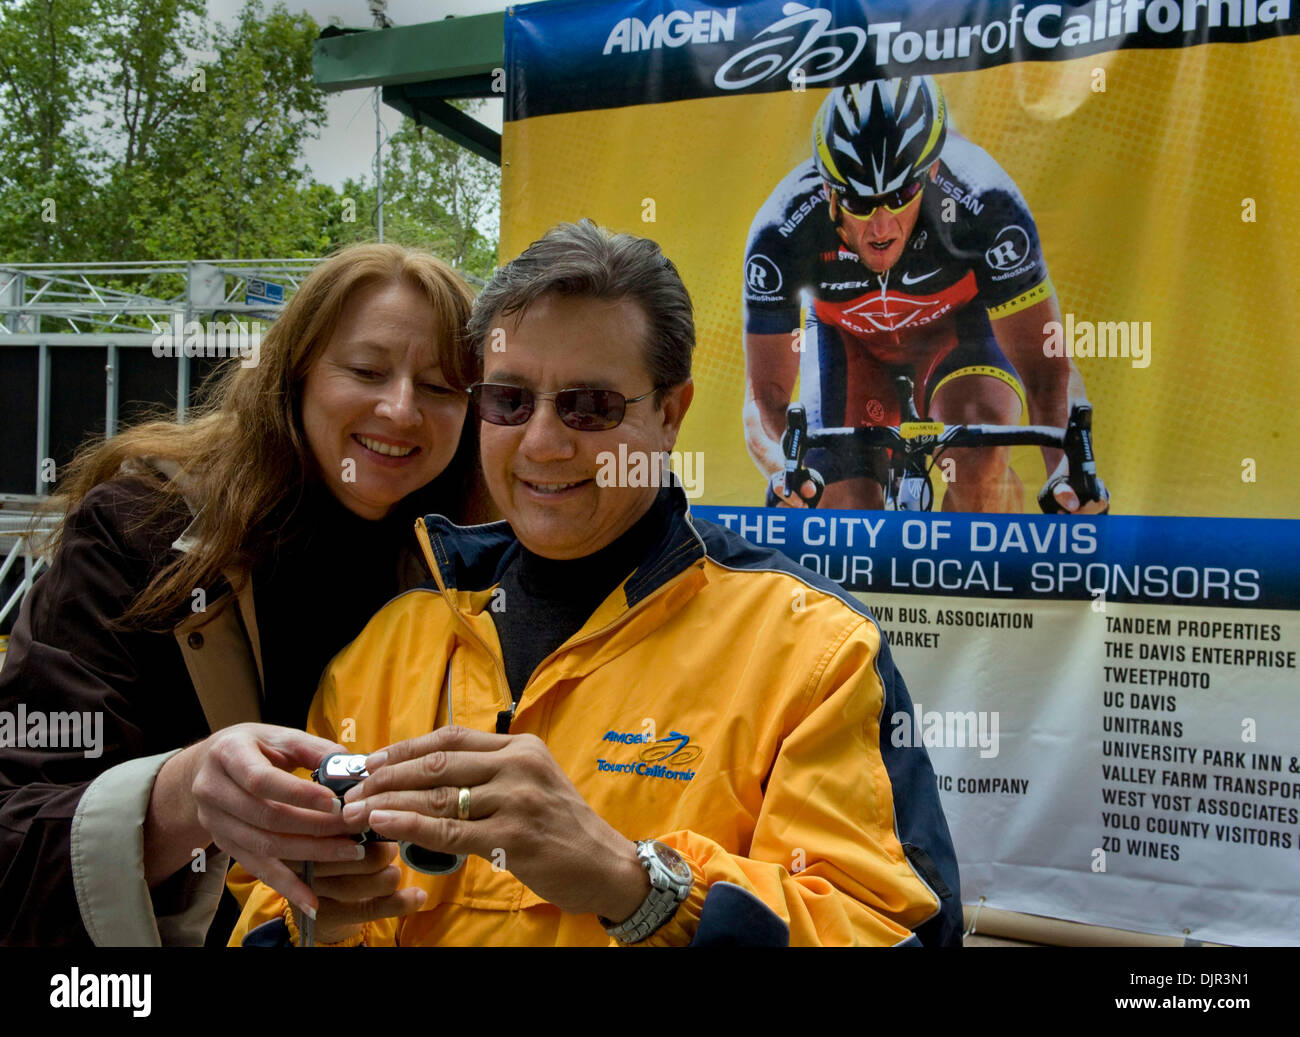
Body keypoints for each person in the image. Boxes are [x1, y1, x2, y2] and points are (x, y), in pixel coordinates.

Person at [231, 220, 961, 947]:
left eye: (591, 406)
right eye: (509, 401)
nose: (544, 441)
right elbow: (255, 910)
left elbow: (895, 930)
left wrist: (637, 885)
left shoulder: (811, 647)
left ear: (670, 414)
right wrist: (312, 921)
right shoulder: (390, 645)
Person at [0, 243, 488, 946]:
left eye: (442, 387)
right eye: (366, 370)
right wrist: (183, 795)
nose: (402, 408)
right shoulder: (138, 530)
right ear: (294, 373)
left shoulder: (474, 573)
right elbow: (17, 838)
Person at [743, 75, 1109, 513]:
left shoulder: (987, 205)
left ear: (931, 172)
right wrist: (788, 472)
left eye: (900, 195)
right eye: (859, 203)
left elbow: (1048, 372)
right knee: (840, 504)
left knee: (979, 470)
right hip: (849, 342)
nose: (881, 226)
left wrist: (1067, 472)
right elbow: (767, 396)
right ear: (828, 189)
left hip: (956, 334)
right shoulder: (781, 230)